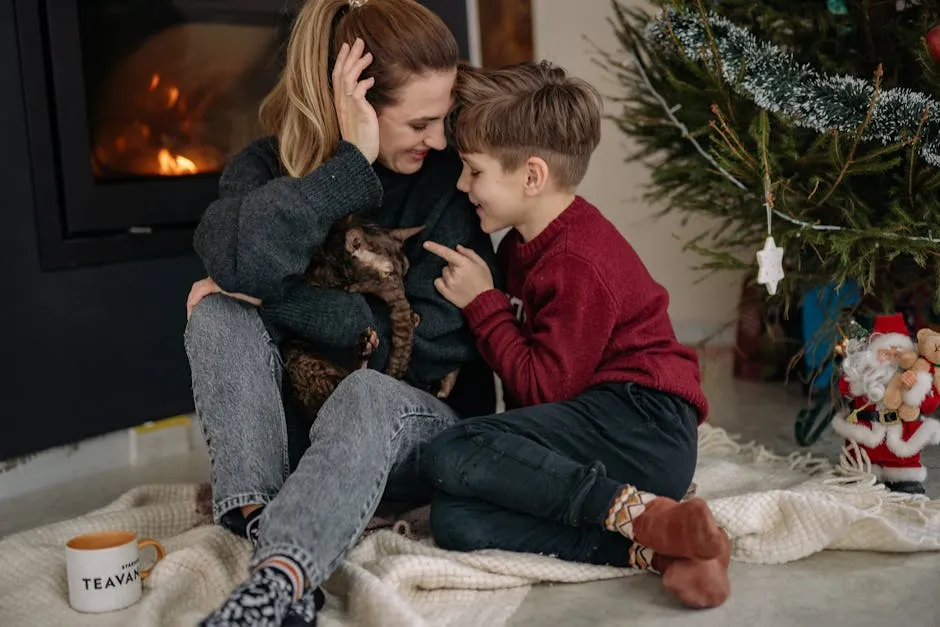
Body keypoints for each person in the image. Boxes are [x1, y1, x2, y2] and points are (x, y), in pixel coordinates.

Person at [183, 1, 499, 625]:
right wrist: (347, 169)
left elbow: (410, 347)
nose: (439, 140)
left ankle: (281, 573)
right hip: (308, 461)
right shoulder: (263, 167)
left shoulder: (446, 183)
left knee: (366, 392)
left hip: (413, 435)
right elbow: (235, 263)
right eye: (419, 124)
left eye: (443, 120)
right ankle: (266, 539)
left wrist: (282, 301)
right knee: (218, 314)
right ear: (352, 107)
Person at [420, 61, 731, 609]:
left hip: (642, 422)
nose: (461, 184)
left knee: (455, 449)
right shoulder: (520, 246)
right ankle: (658, 549)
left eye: (473, 171)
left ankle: (645, 514)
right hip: (602, 432)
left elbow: (544, 392)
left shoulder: (579, 259)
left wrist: (483, 303)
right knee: (455, 517)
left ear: (532, 176)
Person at [832, 313, 940, 494]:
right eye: (885, 353)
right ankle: (861, 475)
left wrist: (916, 387)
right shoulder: (864, 376)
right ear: (872, 354)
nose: (890, 358)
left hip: (900, 436)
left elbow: (929, 405)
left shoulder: (916, 375)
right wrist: (859, 373)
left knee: (903, 459)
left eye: (897, 353)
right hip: (866, 435)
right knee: (859, 458)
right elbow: (846, 388)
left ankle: (903, 480)